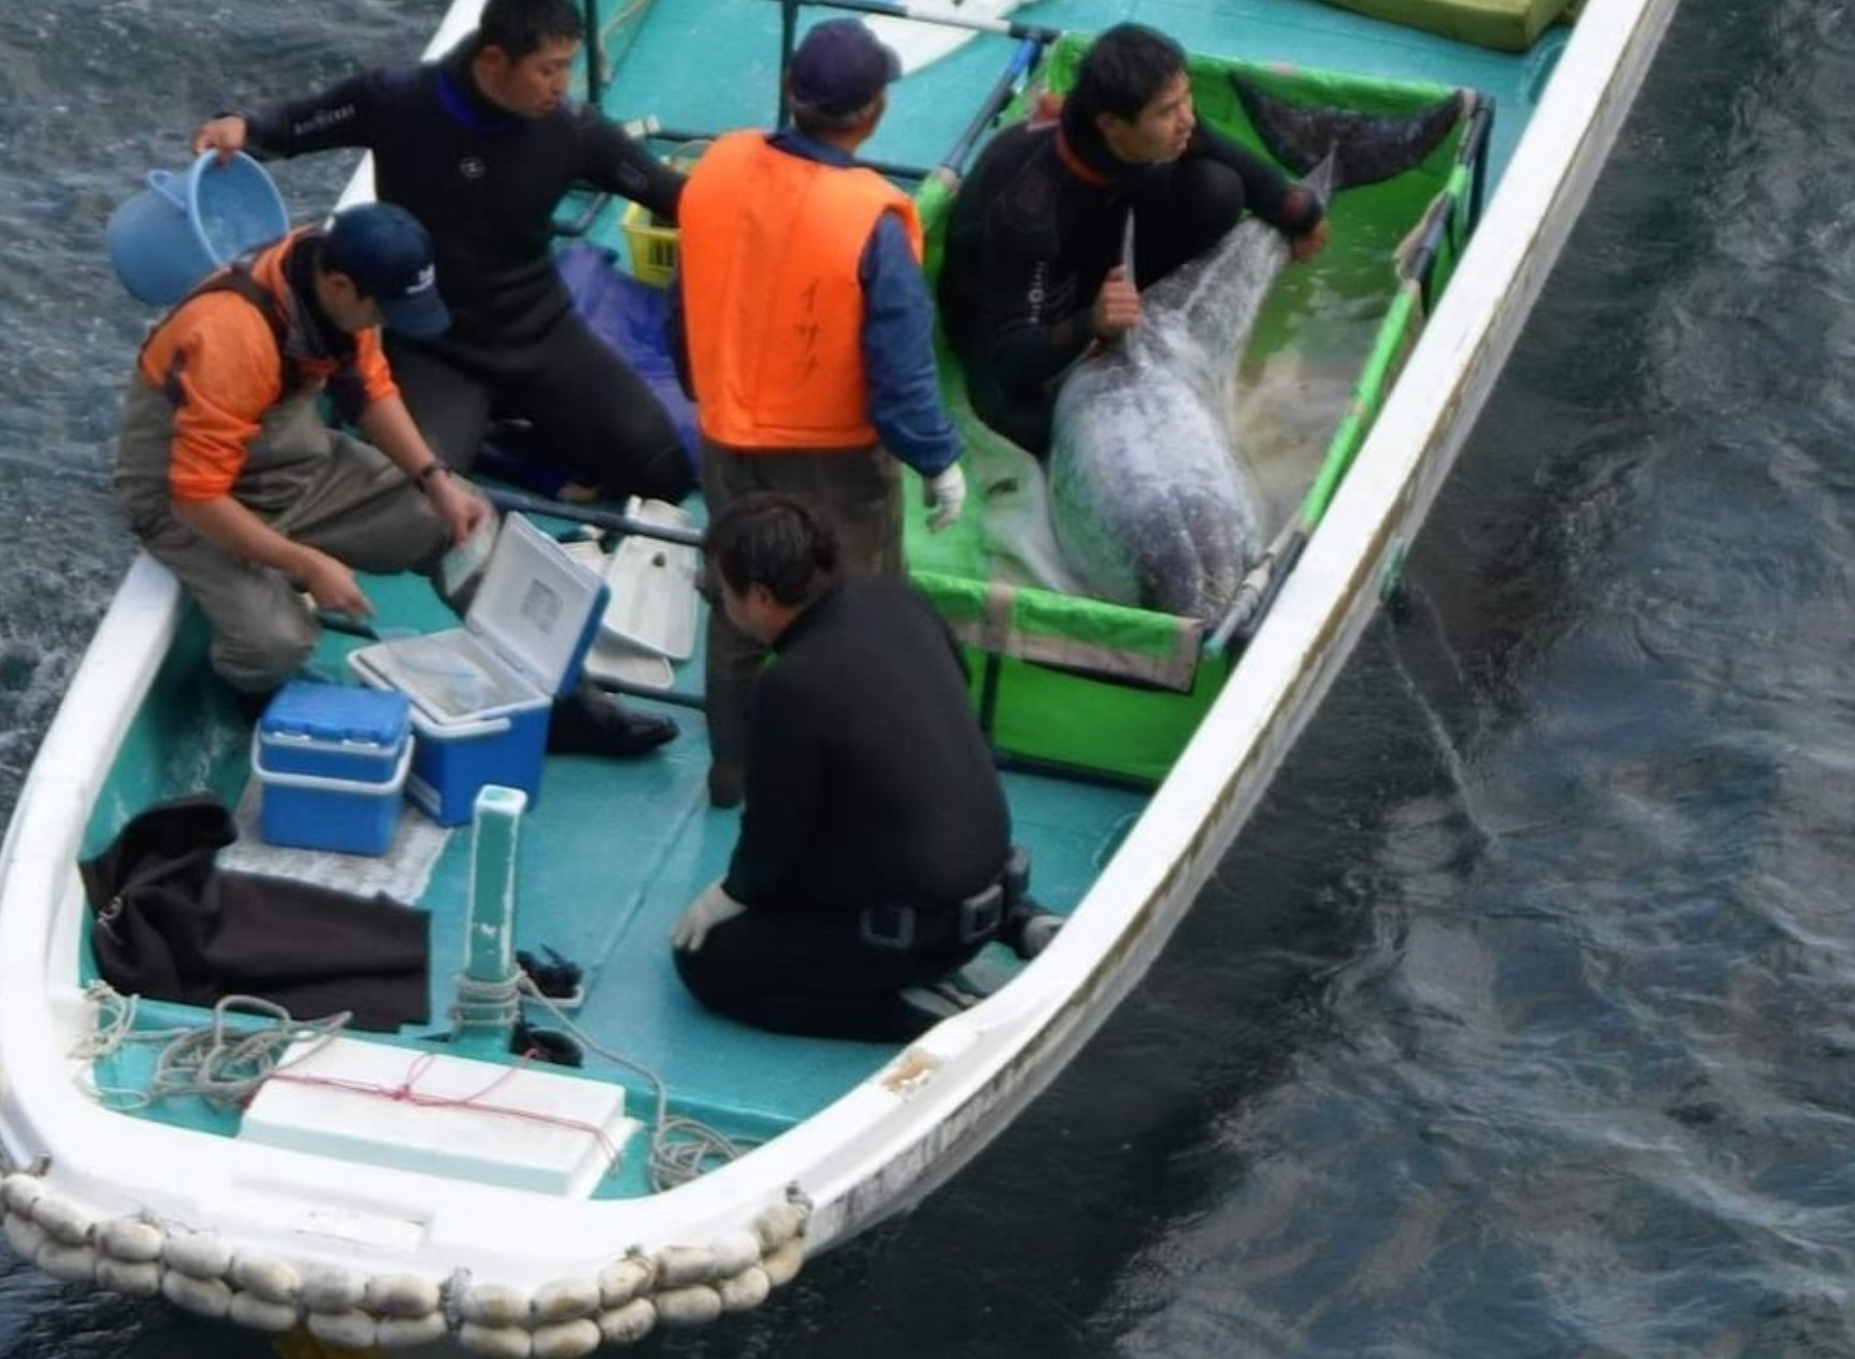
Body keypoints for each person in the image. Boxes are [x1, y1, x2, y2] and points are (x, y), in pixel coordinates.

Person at [114, 202, 674, 757]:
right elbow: (197, 495)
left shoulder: (332, 284)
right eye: (383, 310)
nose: (387, 322)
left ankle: (563, 702)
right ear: (339, 285)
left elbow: (368, 389)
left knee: (463, 525)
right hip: (186, 499)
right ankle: (264, 708)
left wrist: (436, 479)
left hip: (289, 466)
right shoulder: (233, 337)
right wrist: (306, 564)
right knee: (276, 642)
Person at [191, 0, 693, 505]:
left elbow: (674, 195)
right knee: (416, 494)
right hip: (433, 342)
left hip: (536, 330)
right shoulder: (397, 100)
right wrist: (240, 129)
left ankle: (502, 425)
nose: (562, 85)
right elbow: (295, 126)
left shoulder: (572, 131)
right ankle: (495, 448)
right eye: (549, 69)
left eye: (567, 67)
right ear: (494, 61)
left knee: (660, 473)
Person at [672, 16, 968, 808]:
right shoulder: (870, 216)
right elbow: (899, 372)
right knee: (857, 613)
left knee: (737, 606)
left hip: (727, 437)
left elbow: (686, 303)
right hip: (831, 461)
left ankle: (731, 771)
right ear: (872, 113)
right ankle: (854, 781)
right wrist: (938, 461)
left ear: (786, 92)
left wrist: (705, 389)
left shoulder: (715, 170)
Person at [670, 493, 1026, 1043]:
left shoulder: (791, 685)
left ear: (761, 597)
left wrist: (731, 896)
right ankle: (1022, 918)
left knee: (707, 962)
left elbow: (775, 840)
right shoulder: (897, 600)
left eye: (721, 591)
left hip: (920, 934)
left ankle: (906, 1008)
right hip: (996, 879)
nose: (721, 604)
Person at [938, 22, 1330, 457]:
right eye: (1167, 111)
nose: (1187, 119)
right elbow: (1011, 357)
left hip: (1089, 250)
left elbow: (1245, 168)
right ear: (1112, 125)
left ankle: (1126, 309)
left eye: (1187, 98)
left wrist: (1304, 214)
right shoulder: (1028, 207)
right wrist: (1091, 322)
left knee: (1217, 189)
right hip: (1005, 310)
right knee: (1039, 430)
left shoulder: (1153, 127)